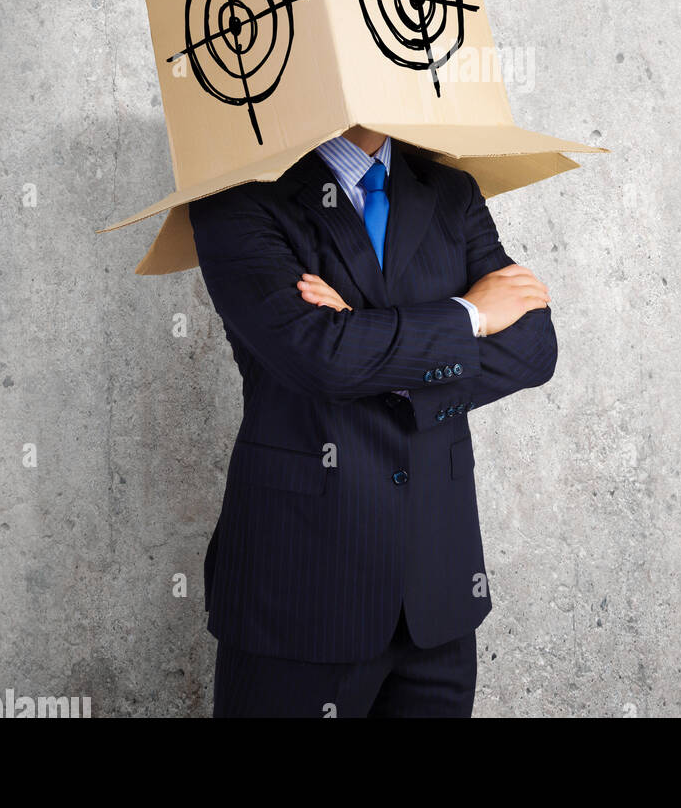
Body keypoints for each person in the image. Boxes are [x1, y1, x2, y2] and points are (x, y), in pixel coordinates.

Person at [188, 126, 556, 717]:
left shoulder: (452, 193)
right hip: (299, 593)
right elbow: (321, 359)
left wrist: (362, 333)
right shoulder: (237, 199)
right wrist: (468, 316)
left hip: (438, 595)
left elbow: (534, 349)